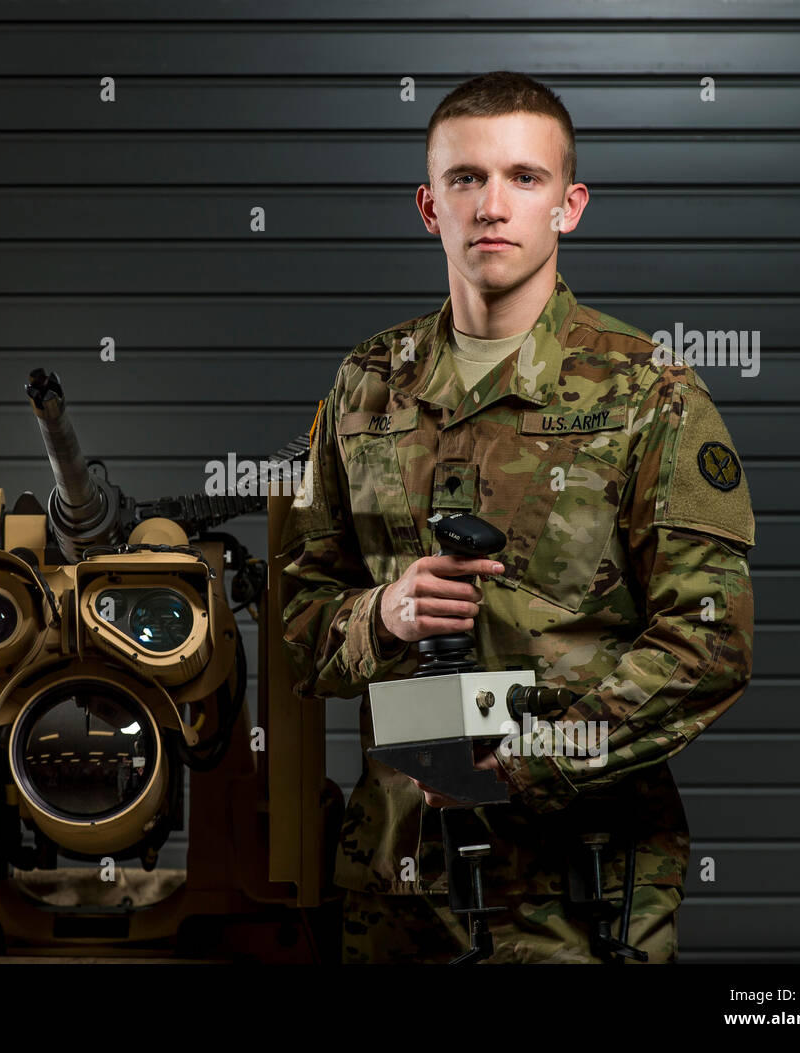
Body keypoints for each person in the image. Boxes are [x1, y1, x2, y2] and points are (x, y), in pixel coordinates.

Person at [277, 71, 755, 964]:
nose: (493, 205)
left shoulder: (648, 393)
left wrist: (531, 759)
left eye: (524, 179)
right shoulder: (364, 388)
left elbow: (709, 644)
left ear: (568, 206)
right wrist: (382, 614)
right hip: (396, 882)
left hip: (577, 891)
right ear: (429, 205)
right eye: (466, 179)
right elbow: (299, 624)